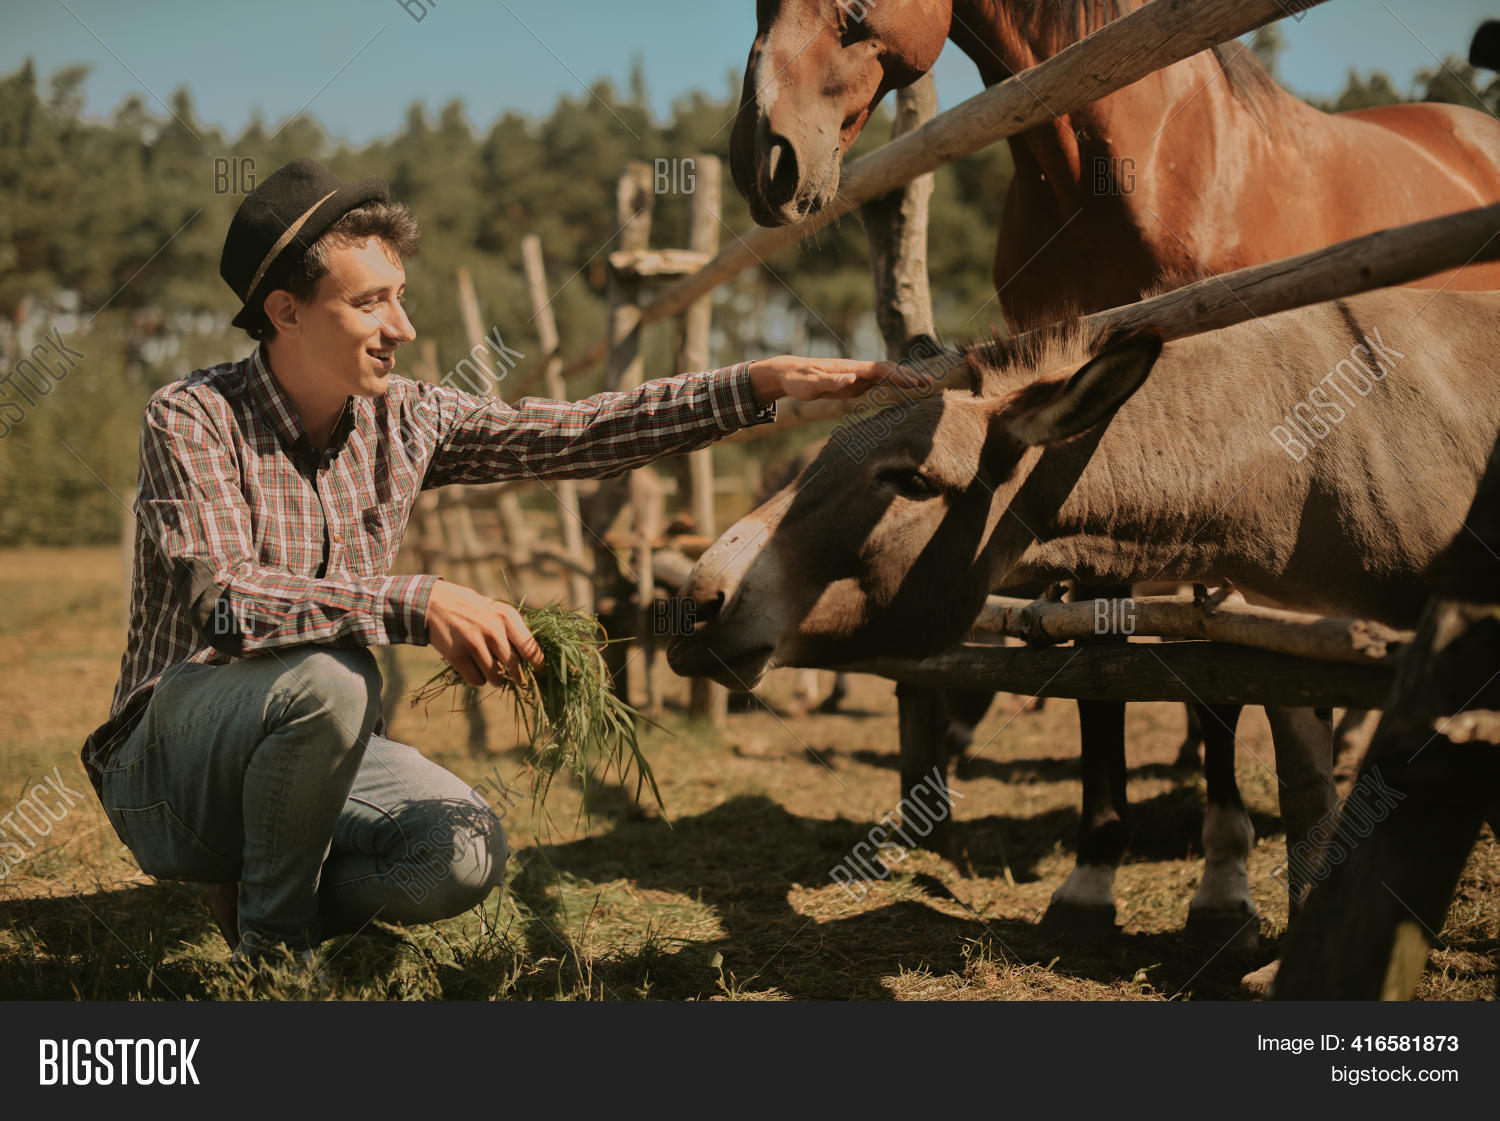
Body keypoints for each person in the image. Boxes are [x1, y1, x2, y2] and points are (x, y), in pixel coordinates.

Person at [79, 157, 924, 970]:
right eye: (371, 302)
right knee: (335, 680)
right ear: (287, 312)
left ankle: (266, 891)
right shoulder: (192, 417)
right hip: (169, 768)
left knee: (462, 853)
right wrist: (418, 601)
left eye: (400, 297)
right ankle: (274, 957)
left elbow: (577, 432)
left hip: (309, 747)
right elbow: (225, 603)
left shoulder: (408, 419)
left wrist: (755, 385)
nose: (403, 328)